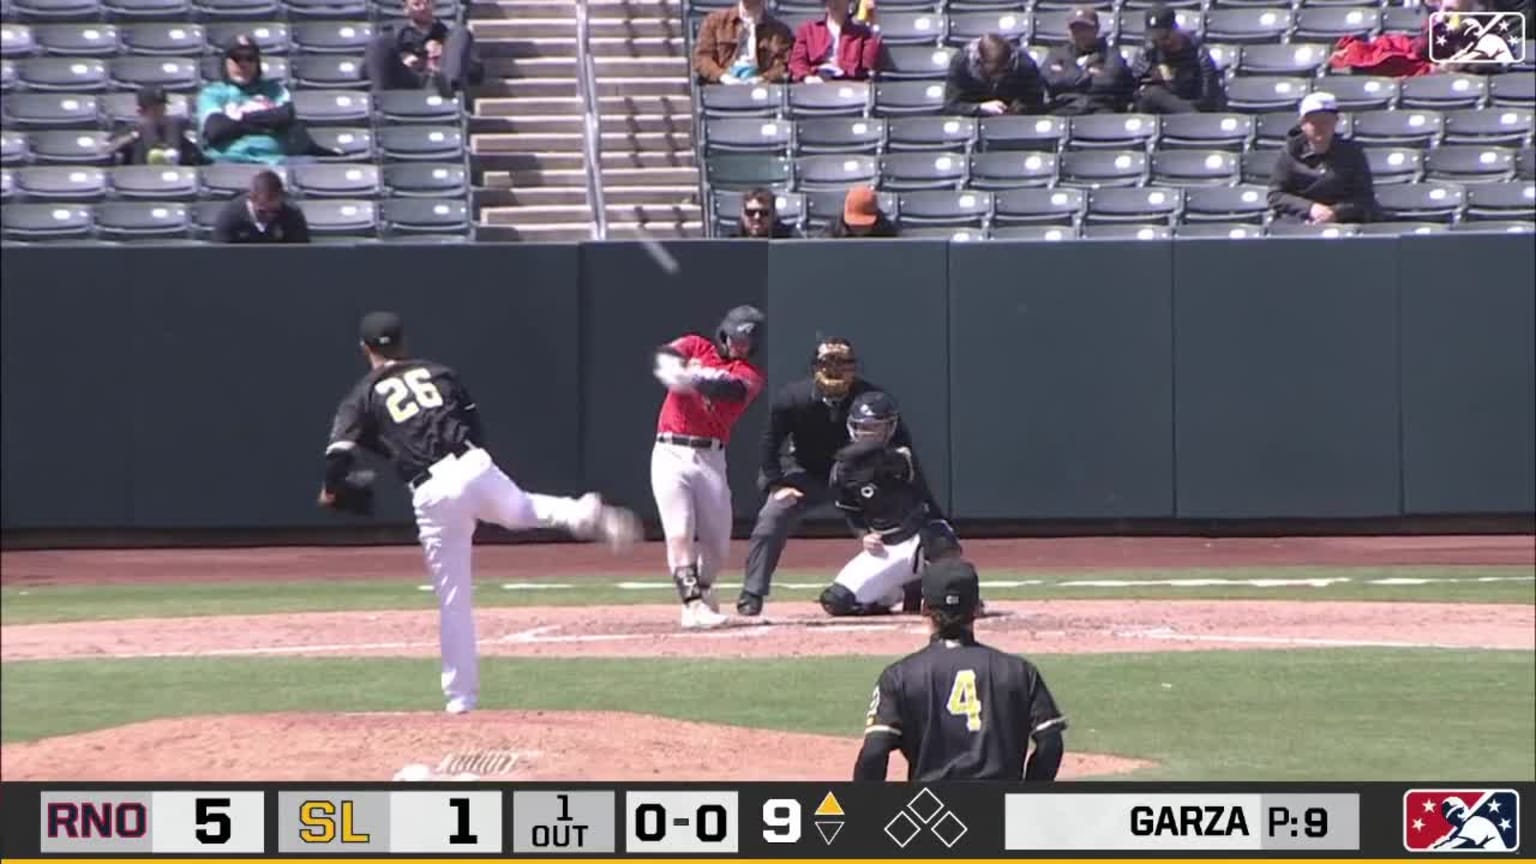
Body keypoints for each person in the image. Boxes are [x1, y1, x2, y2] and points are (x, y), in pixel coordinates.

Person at [319, 311, 641, 715]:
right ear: (404, 342)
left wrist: (332, 490)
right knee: (522, 509)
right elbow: (473, 427)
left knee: (454, 598)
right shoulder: (440, 373)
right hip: (472, 463)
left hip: (432, 488)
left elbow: (338, 457)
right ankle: (582, 513)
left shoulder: (363, 394)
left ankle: (461, 700)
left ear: (365, 349)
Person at [738, 339, 941, 616]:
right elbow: (769, 444)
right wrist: (776, 484)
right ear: (814, 368)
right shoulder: (792, 399)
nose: (835, 371)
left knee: (905, 518)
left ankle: (916, 587)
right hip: (807, 475)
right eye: (827, 364)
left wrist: (928, 510)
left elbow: (906, 455)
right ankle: (752, 593)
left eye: (843, 364)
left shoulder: (872, 399)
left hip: (862, 480)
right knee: (772, 517)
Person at [854, 557, 1068, 782]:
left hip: (933, 812)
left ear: (925, 608)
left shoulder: (899, 676)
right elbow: (1051, 744)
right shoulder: (1020, 671)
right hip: (1000, 810)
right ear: (976, 608)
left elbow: (874, 753)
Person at [651, 306, 768, 629]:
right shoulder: (694, 345)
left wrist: (688, 376)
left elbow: (727, 390)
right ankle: (691, 606)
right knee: (680, 531)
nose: (739, 346)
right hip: (670, 452)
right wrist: (676, 369)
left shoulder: (750, 375)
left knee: (717, 545)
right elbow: (665, 356)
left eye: (747, 342)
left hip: (711, 458)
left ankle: (702, 590)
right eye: (736, 338)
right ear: (724, 331)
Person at [817, 391, 958, 618]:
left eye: (876, 427)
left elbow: (882, 461)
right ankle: (900, 591)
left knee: (939, 537)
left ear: (890, 428)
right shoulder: (841, 471)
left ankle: (950, 588)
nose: (869, 433)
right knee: (837, 601)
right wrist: (864, 535)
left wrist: (850, 457)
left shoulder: (899, 458)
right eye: (864, 427)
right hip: (884, 546)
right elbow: (850, 511)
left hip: (913, 540)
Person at [1267, 92, 1377, 226]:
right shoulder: (1290, 152)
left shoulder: (1352, 153)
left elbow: (1364, 197)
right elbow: (1276, 195)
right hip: (1299, 222)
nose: (1321, 127)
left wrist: (1335, 212)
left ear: (1336, 122)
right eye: (1314, 121)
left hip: (1343, 223)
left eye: (1326, 121)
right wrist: (1310, 208)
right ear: (1303, 123)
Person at [196, 35, 298, 165]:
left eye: (250, 58)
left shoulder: (275, 90)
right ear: (225, 62)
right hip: (226, 160)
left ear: (257, 63)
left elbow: (284, 117)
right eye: (236, 58)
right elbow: (216, 129)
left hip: (273, 161)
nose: (243, 64)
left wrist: (237, 119)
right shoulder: (212, 93)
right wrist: (264, 124)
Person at [367, 0, 481, 96]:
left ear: (434, 5)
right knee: (378, 43)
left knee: (461, 32)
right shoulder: (394, 38)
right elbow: (364, 70)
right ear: (406, 9)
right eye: (417, 4)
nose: (423, 8)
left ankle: (451, 94)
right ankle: (381, 102)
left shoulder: (450, 36)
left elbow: (476, 71)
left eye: (427, 2)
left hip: (441, 83)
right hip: (406, 83)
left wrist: (445, 55)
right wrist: (404, 59)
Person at [1130, 5, 1225, 114]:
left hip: (1192, 114)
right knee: (1152, 94)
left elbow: (1207, 98)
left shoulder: (1198, 54)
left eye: (1165, 37)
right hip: (1155, 116)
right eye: (1156, 38)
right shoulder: (1147, 54)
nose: (1162, 43)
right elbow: (1139, 94)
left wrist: (1172, 88)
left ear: (1175, 29)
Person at [1042, 7, 1132, 115]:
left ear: (1097, 29)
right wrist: (1087, 74)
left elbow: (1109, 82)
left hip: (1099, 108)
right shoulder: (1057, 54)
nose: (1080, 34)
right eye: (1075, 29)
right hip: (1065, 107)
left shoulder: (1110, 53)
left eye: (1085, 29)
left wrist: (1067, 73)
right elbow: (1051, 81)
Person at [943, 33, 1046, 117]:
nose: (999, 76)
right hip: (973, 119)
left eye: (1005, 69)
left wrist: (1021, 107)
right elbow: (951, 105)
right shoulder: (961, 63)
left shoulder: (1024, 63)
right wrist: (980, 108)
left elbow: (1037, 100)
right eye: (996, 70)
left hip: (1012, 120)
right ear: (981, 60)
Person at [693, 0, 794, 85]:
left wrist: (762, 79)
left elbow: (782, 66)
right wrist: (723, 76)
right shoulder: (715, 22)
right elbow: (702, 59)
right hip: (723, 86)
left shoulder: (780, 31)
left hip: (761, 88)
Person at [788, 0, 883, 83]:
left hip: (848, 84)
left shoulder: (862, 33)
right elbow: (797, 62)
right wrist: (808, 78)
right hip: (816, 82)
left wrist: (874, 27)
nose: (835, 4)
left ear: (849, 3)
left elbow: (869, 65)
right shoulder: (808, 30)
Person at [110, 85, 204, 166]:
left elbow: (198, 160)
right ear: (141, 112)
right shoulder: (130, 131)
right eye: (155, 110)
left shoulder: (174, 131)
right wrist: (132, 136)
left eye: (163, 109)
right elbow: (106, 151)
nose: (161, 114)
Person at [212, 169, 310, 244]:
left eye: (275, 211)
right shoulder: (230, 216)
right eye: (262, 212)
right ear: (251, 199)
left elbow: (301, 253)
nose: (270, 216)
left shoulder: (292, 214)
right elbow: (221, 256)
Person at [822, 185, 898, 238]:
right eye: (855, 224)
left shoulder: (887, 232)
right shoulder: (832, 233)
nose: (859, 228)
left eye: (864, 225)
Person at [733, 188, 797, 238]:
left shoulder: (788, 239)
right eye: (750, 212)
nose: (757, 217)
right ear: (742, 214)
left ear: (774, 215)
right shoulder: (730, 239)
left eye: (764, 213)